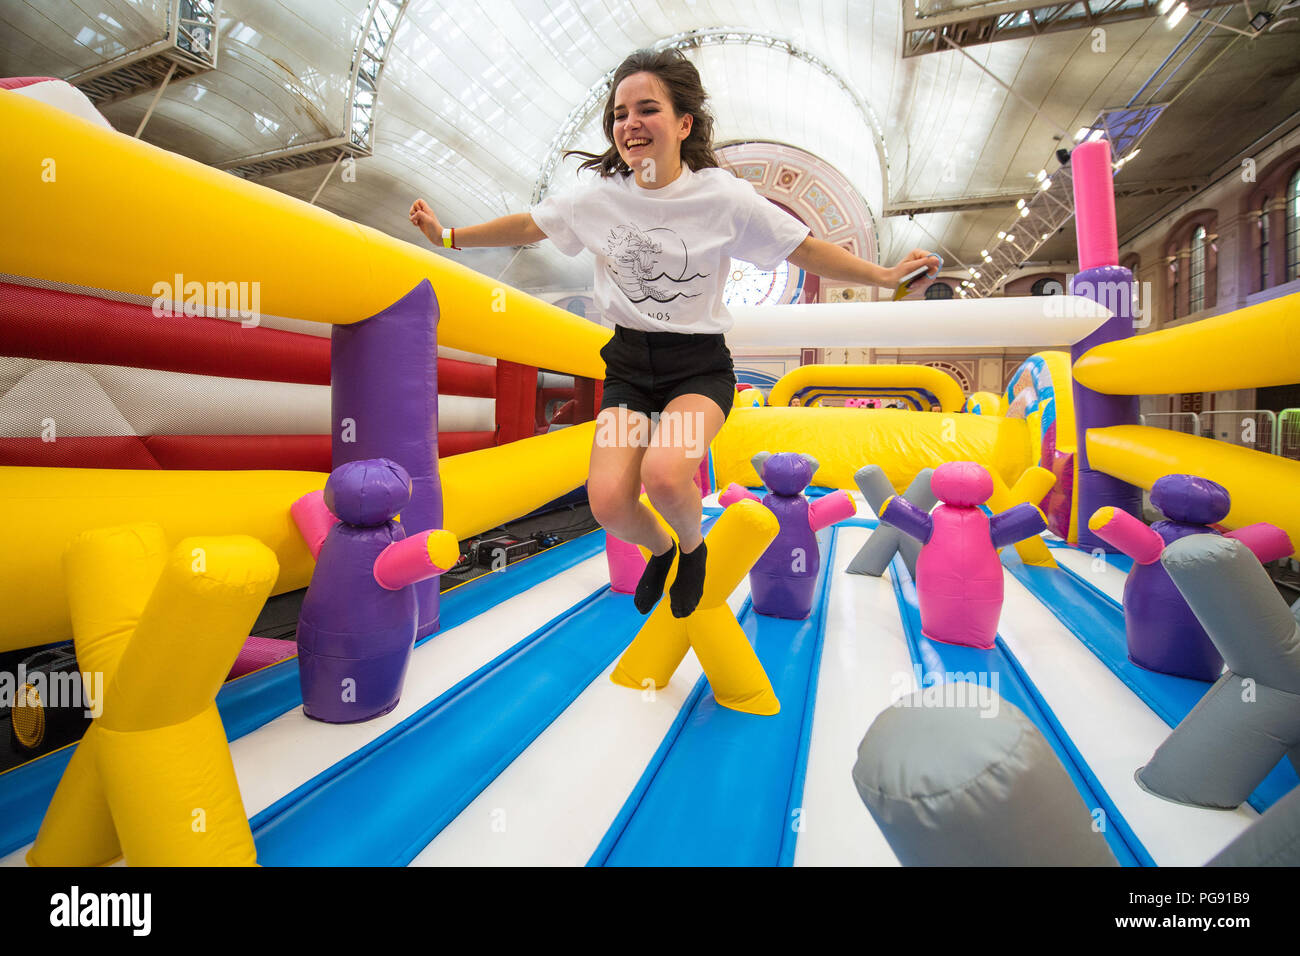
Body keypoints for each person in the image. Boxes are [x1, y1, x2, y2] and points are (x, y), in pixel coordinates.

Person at [410, 48, 939, 619]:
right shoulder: (596, 198)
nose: (630, 124)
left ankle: (692, 548)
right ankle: (661, 549)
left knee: (664, 476)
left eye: (647, 109)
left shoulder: (723, 198)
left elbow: (805, 248)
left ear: (683, 124)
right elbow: (528, 224)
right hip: (630, 368)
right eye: (619, 114)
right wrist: (449, 235)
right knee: (609, 502)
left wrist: (884, 276)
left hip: (697, 367)